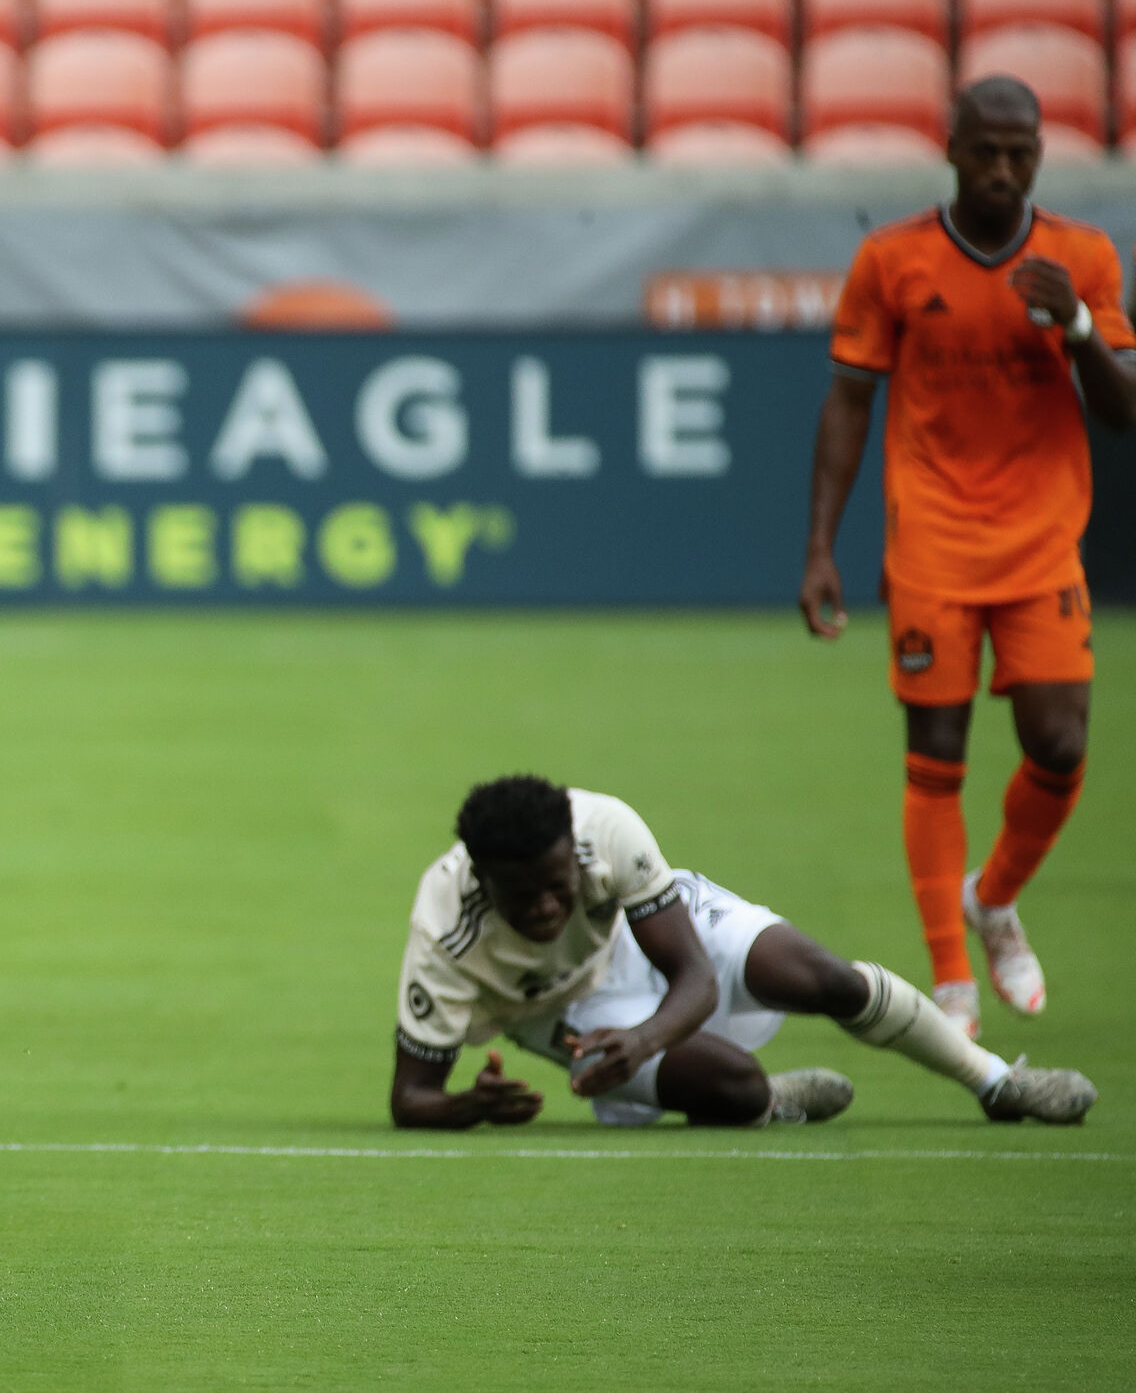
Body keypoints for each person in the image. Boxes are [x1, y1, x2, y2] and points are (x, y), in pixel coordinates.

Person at [799, 77, 1136, 1038]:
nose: (1001, 169)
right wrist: (821, 546)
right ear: (949, 148)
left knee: (1061, 746)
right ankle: (951, 979)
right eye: (983, 150)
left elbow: (1122, 412)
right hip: (934, 547)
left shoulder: (1082, 259)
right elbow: (850, 402)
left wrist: (1076, 328)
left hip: (1040, 546)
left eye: (1019, 152)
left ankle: (995, 897)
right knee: (934, 752)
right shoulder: (894, 258)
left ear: (1039, 154)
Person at [388, 775, 1096, 1131]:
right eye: (523, 898)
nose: (545, 906)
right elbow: (410, 1095)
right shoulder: (445, 933)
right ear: (483, 879)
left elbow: (691, 975)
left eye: (556, 886)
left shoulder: (605, 828)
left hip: (643, 936)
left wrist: (645, 1039)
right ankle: (772, 1101)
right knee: (734, 1086)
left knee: (823, 977)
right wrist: (469, 1106)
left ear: (569, 852)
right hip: (562, 1005)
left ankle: (998, 1082)